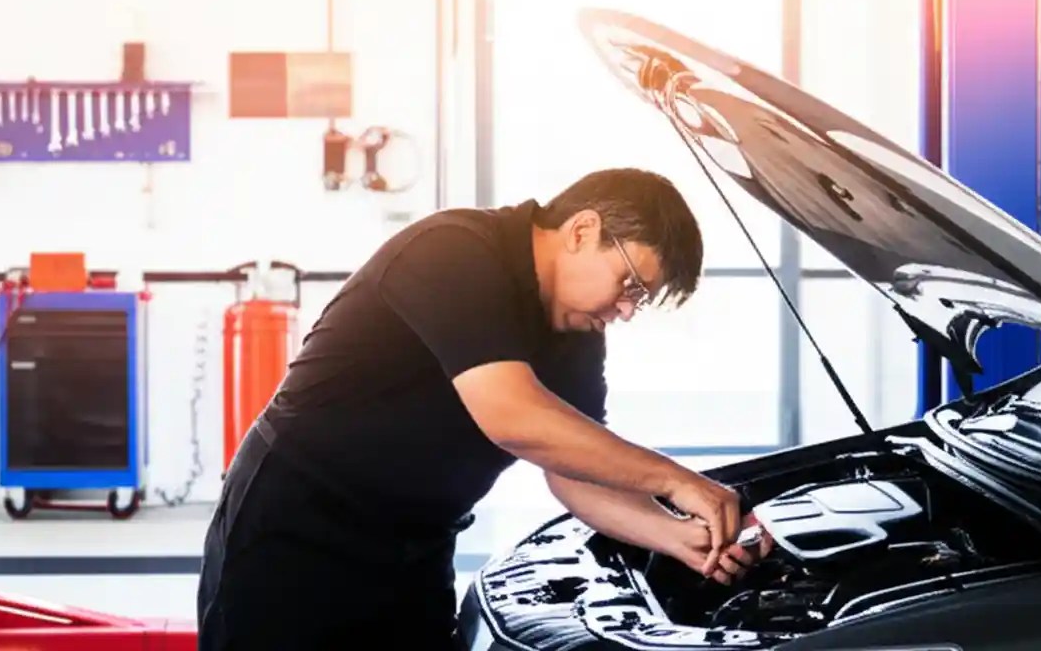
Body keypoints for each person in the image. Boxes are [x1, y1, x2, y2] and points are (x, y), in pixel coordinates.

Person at [196, 167, 774, 650]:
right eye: (629, 285)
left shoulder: (573, 333)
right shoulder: (454, 253)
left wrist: (676, 538)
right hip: (294, 541)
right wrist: (676, 482)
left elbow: (573, 471)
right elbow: (511, 417)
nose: (625, 311)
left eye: (639, 301)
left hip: (412, 553)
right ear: (581, 230)